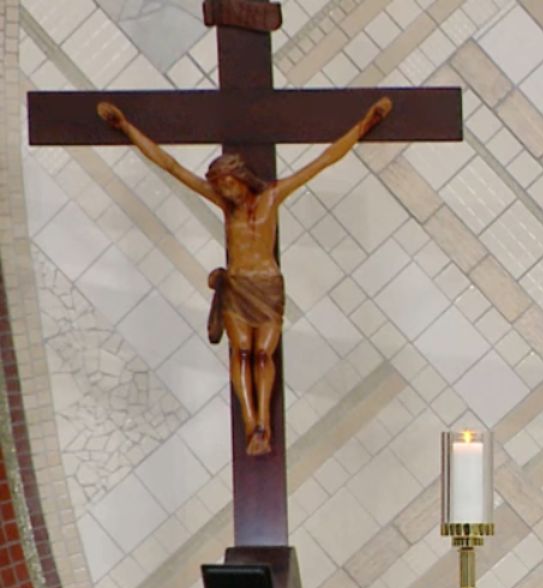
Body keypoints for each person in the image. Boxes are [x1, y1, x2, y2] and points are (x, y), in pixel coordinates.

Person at [97, 96, 392, 455]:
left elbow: (326, 159)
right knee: (241, 353)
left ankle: (264, 423)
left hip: (267, 286)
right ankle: (252, 426)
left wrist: (367, 124)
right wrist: (126, 127)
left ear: (239, 177)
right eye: (219, 187)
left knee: (264, 356)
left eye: (227, 185)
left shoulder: (272, 195)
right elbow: (171, 166)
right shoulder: (224, 205)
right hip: (238, 287)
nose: (223, 192)